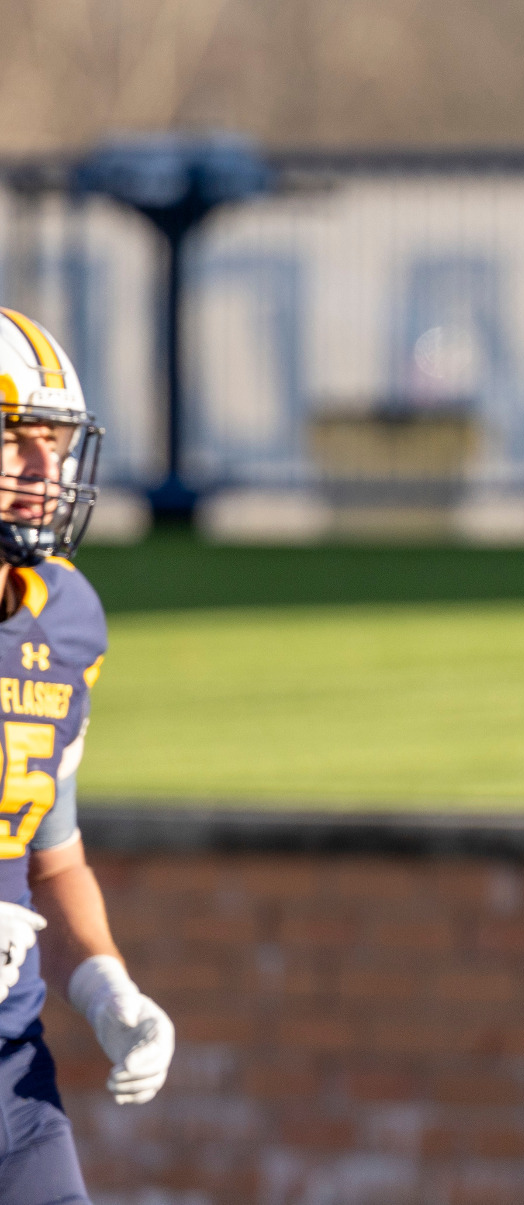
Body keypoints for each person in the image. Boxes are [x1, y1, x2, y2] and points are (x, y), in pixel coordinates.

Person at [0, 308, 174, 1202]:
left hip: (8, 1070)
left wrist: (110, 992)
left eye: (57, 444)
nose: (46, 472)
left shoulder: (63, 619)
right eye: (18, 441)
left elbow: (52, 860)